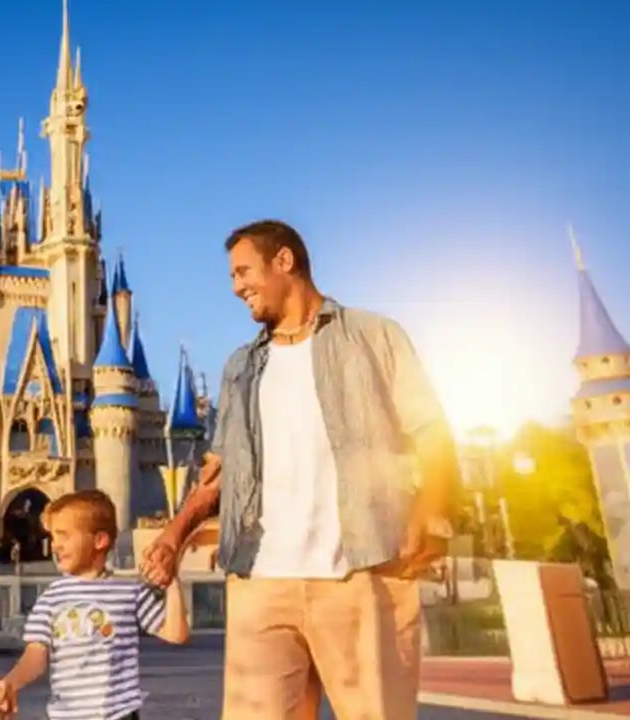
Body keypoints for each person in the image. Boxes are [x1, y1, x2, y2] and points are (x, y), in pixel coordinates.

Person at [140, 220, 461, 719]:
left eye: (243, 271)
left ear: (284, 261)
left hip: (360, 573)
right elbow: (221, 472)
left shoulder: (372, 336)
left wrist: (432, 509)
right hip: (261, 581)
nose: (235, 287)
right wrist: (175, 533)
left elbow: (432, 432)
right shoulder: (240, 367)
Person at [0, 490, 190, 720]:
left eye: (64, 536)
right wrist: (10, 683)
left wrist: (172, 581)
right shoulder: (52, 597)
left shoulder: (129, 591)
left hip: (118, 715)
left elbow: (177, 634)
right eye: (54, 538)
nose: (55, 546)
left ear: (99, 540)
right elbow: (36, 656)